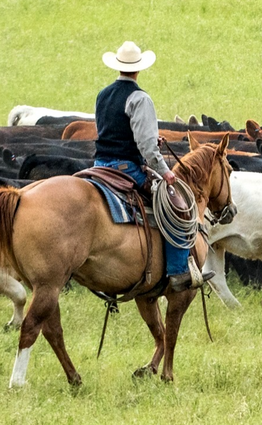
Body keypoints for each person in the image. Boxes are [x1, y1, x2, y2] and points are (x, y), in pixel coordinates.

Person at [93, 41, 213, 293]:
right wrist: (166, 171)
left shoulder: (103, 95)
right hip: (126, 169)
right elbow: (147, 148)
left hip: (99, 166)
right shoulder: (139, 98)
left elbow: (113, 132)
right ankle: (179, 272)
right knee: (177, 206)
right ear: (138, 70)